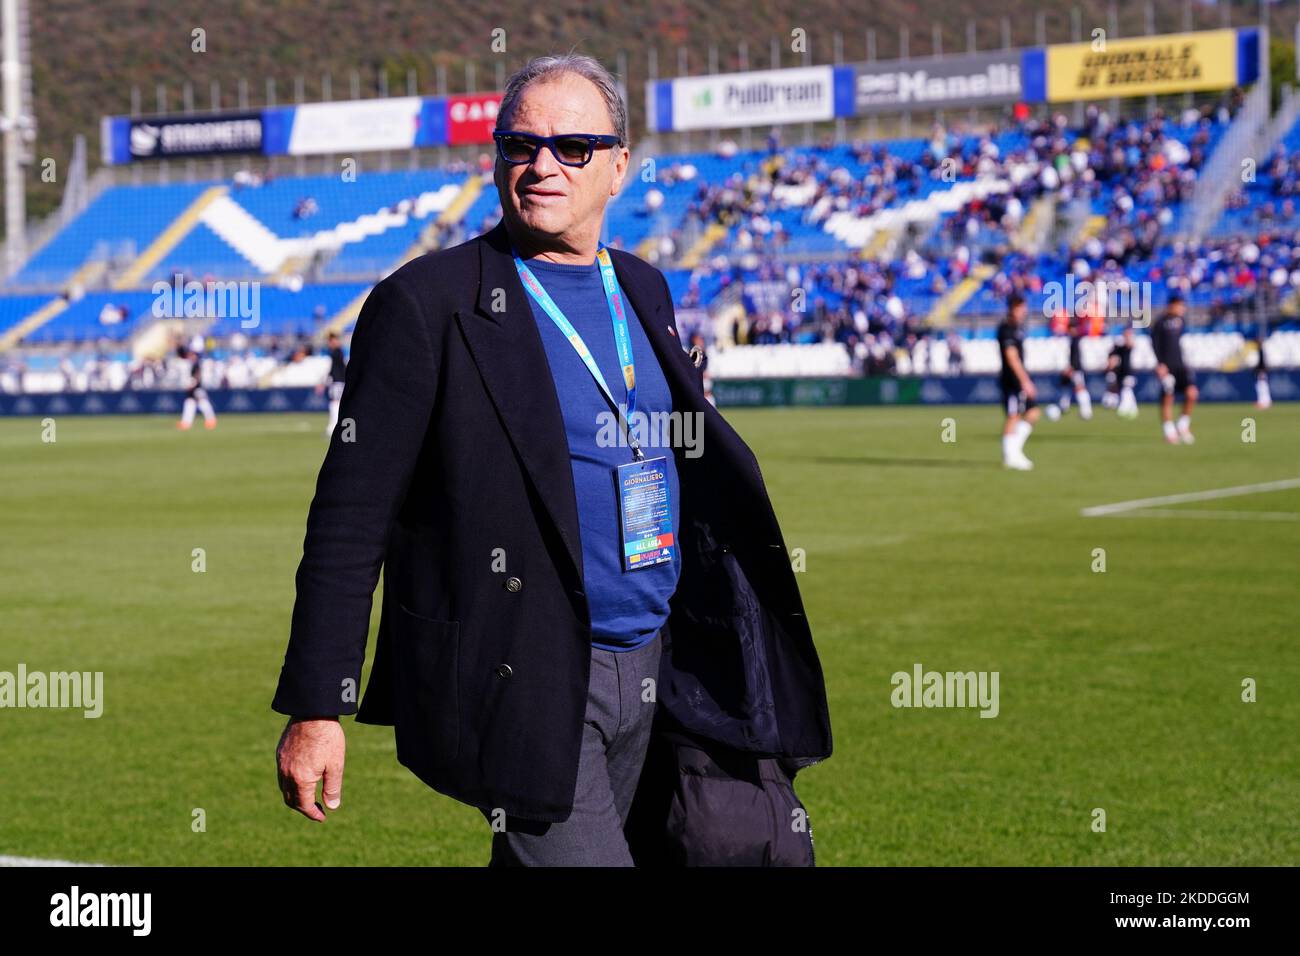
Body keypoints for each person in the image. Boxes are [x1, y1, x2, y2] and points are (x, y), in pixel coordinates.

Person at [270, 54, 831, 867]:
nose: (540, 166)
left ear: (619, 168)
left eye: (572, 147)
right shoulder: (427, 303)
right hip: (525, 671)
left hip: (659, 663)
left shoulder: (643, 287)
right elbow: (350, 518)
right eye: (519, 145)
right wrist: (320, 703)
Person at [998, 292, 1040, 470]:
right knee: (1013, 416)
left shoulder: (1017, 328)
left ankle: (1015, 450)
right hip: (1012, 380)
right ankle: (1010, 456)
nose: (1024, 311)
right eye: (1021, 307)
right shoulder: (1006, 329)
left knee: (1032, 413)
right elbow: (1011, 357)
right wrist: (1024, 380)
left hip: (1018, 380)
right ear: (1013, 308)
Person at [1151, 291, 1197, 444]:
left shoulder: (1181, 321)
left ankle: (1183, 424)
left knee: (1192, 394)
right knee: (1167, 398)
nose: (1182, 308)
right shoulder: (1159, 323)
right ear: (1172, 305)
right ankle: (1169, 431)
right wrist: (1160, 364)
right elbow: (1155, 345)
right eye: (1180, 305)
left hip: (1180, 365)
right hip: (1166, 367)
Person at [176, 340, 216, 430]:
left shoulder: (197, 364)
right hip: (194, 388)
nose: (190, 356)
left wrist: (193, 384)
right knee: (190, 404)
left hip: (197, 388)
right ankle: (186, 423)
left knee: (203, 403)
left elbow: (198, 376)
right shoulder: (192, 363)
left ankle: (211, 420)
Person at [1102, 325, 1139, 418]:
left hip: (1129, 372)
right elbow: (1112, 358)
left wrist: (1128, 336)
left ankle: (1124, 408)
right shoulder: (1118, 346)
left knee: (1127, 389)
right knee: (1127, 390)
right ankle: (1133, 410)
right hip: (1121, 372)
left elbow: (1130, 345)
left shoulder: (1128, 344)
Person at [316, 331, 347, 437]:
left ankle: (333, 429)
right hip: (338, 382)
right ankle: (333, 428)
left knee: (335, 405)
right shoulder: (337, 352)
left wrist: (322, 382)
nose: (329, 343)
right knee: (335, 404)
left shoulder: (336, 352)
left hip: (338, 383)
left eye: (330, 341)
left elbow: (331, 369)